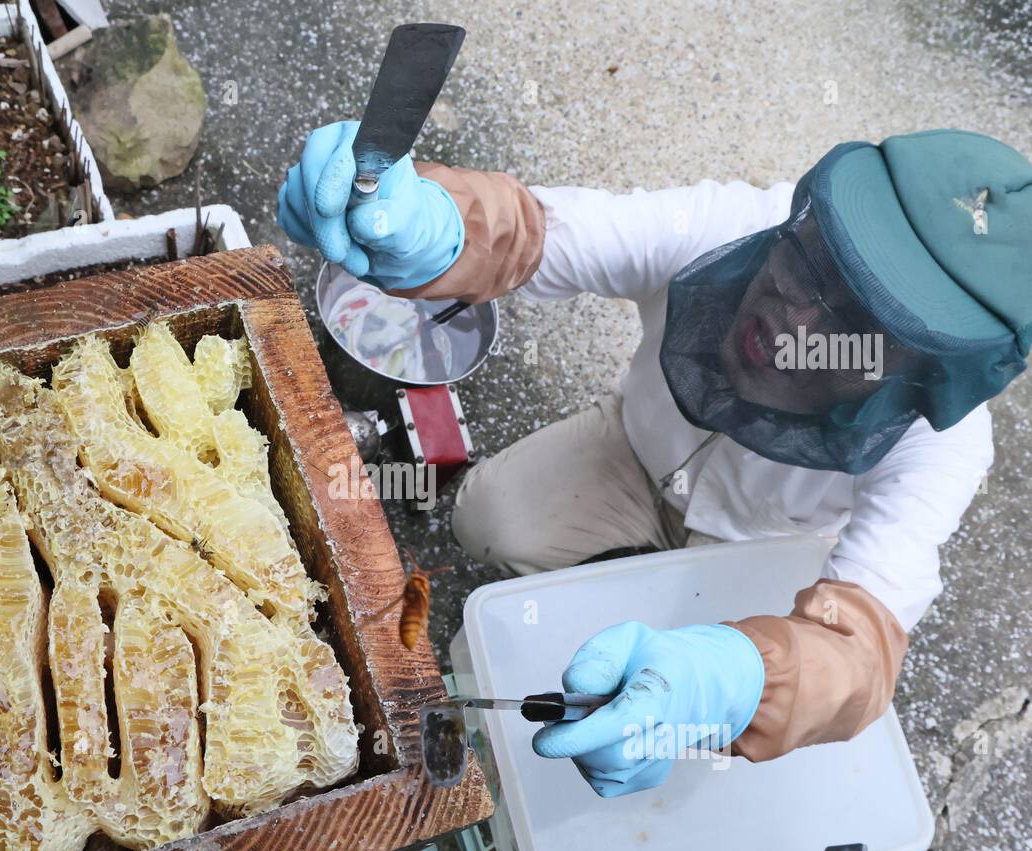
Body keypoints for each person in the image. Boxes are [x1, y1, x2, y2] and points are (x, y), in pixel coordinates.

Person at [279, 124, 1030, 797]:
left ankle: (657, 643)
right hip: (631, 452)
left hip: (746, 546)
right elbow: (543, 233)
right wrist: (442, 225)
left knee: (637, 695)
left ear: (921, 375)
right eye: (813, 264)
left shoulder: (942, 443)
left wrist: (733, 682)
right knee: (488, 516)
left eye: (860, 322)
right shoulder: (737, 226)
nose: (788, 316)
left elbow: (859, 652)